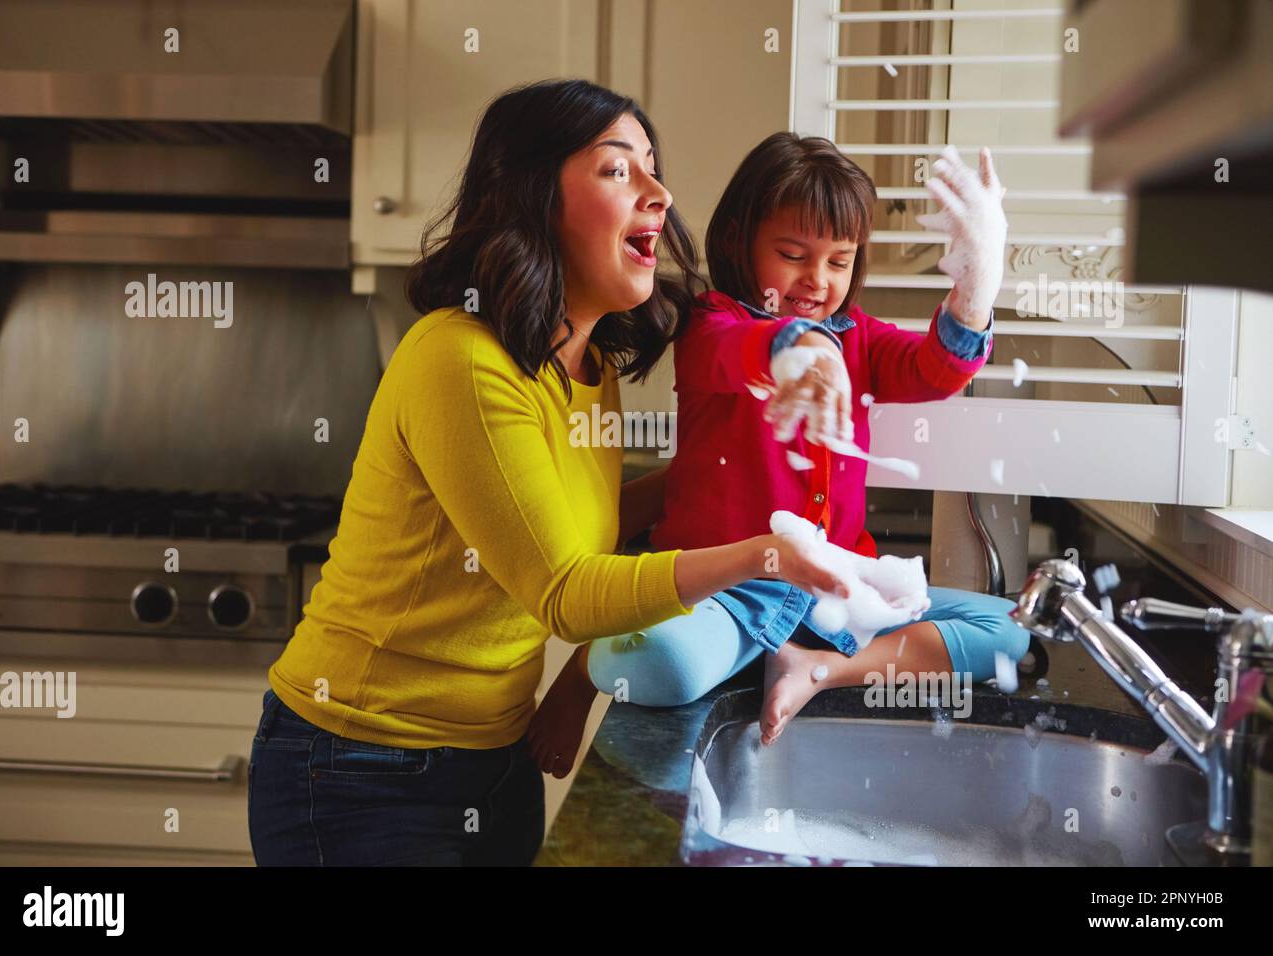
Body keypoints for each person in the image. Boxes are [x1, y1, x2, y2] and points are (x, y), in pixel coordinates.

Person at [247, 82, 852, 866]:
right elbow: (566, 589)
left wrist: (738, 477)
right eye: (617, 170)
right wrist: (762, 554)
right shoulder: (459, 359)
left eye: (653, 167)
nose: (660, 193)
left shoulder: (585, 363)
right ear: (534, 198)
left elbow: (583, 527)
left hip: (493, 751)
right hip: (359, 763)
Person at [532, 133, 1029, 766]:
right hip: (729, 591)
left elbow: (937, 370)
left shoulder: (861, 340)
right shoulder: (711, 323)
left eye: (839, 261)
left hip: (836, 591)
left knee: (1015, 632)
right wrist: (797, 348)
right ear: (741, 240)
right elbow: (734, 354)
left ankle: (814, 670)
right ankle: (585, 666)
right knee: (662, 666)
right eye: (793, 254)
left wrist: (977, 282)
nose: (816, 281)